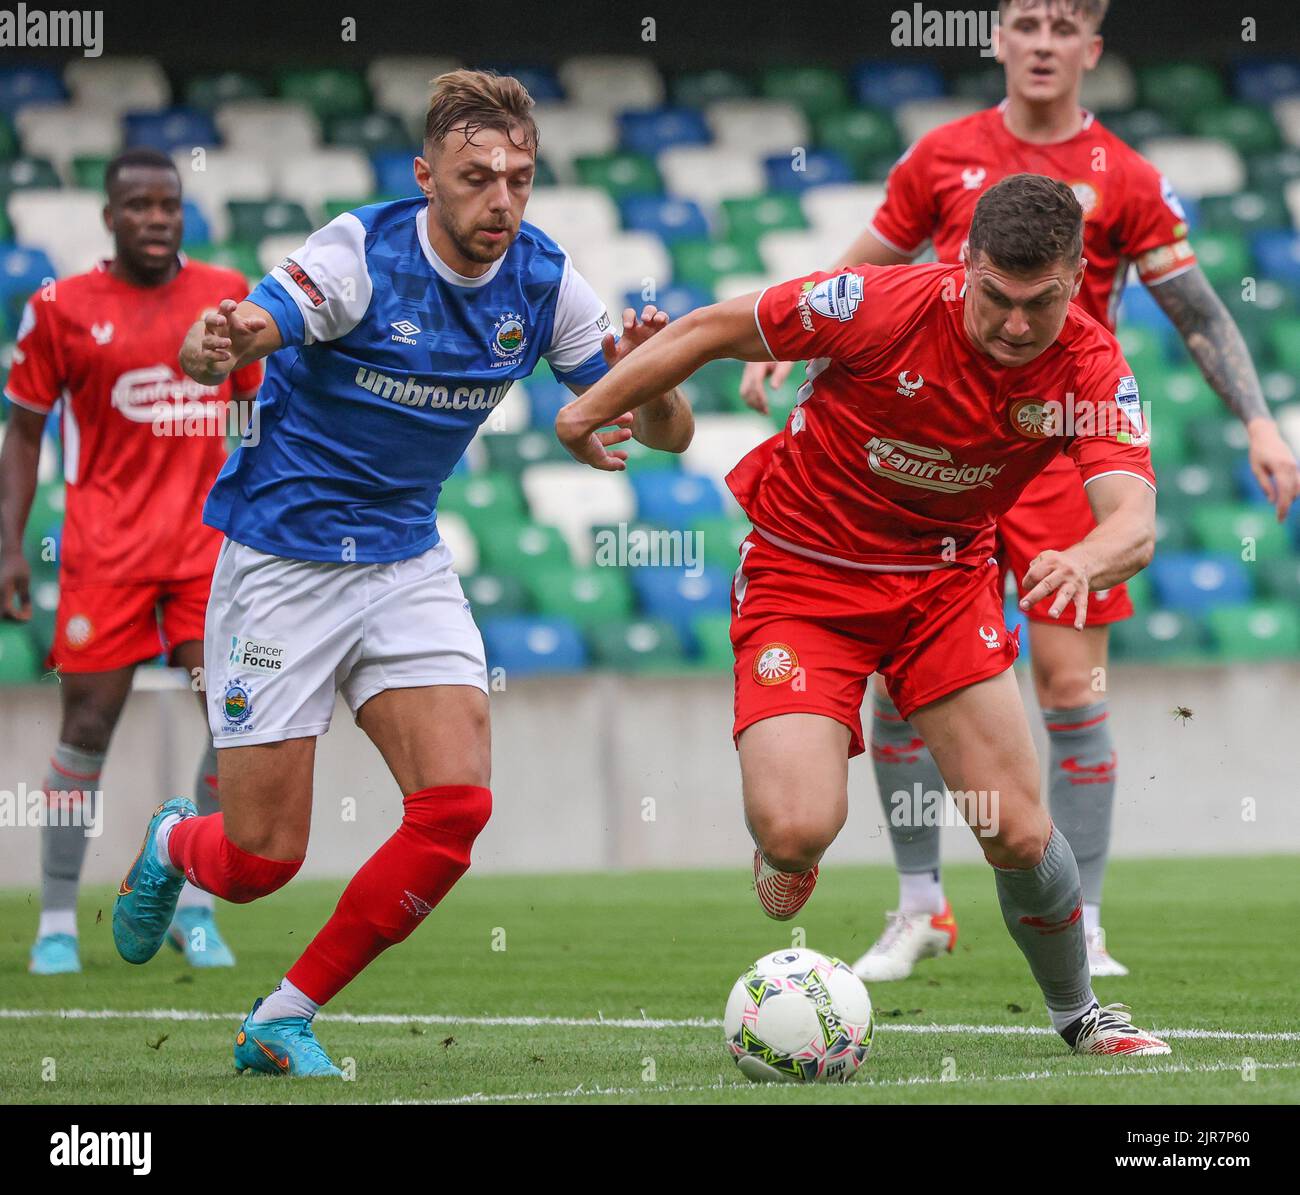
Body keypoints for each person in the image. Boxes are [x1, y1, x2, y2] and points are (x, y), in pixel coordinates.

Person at [111, 70, 693, 1076]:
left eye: (519, 178)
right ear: (427, 176)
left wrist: (658, 375)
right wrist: (221, 343)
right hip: (281, 563)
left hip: (403, 559)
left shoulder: (548, 283)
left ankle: (282, 1016)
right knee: (258, 861)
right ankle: (172, 842)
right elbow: (254, 326)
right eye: (476, 178)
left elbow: (665, 438)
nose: (500, 200)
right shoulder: (360, 251)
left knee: (457, 808)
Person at [740, 0, 1298, 981]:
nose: (1042, 43)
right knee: (899, 687)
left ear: (1092, 46)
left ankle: (1077, 916)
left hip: (1053, 459)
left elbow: (1195, 307)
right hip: (939, 451)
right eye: (1025, 23)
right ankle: (918, 904)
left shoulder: (1124, 177)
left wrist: (1256, 417)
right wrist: (792, 340)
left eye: (1063, 25)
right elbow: (870, 268)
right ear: (996, 38)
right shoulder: (941, 155)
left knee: (1069, 689)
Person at [559, 173, 1171, 1055]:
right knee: (799, 828)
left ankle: (1080, 1013)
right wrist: (586, 408)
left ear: (1076, 277)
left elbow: (1136, 521)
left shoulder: (1089, 366)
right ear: (965, 263)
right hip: (803, 578)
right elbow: (704, 331)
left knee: (1017, 830)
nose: (1011, 324)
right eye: (994, 296)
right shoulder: (872, 305)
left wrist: (1083, 555)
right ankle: (784, 853)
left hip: (943, 586)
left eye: (1037, 304)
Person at [0, 147, 261, 975]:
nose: (157, 218)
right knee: (85, 728)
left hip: (204, 553)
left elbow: (259, 416)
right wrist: (9, 542)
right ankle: (54, 923)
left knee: (233, 716)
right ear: (109, 217)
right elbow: (25, 432)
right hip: (103, 555)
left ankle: (195, 904)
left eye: (170, 205)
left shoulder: (227, 295)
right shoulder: (61, 307)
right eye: (140, 206)